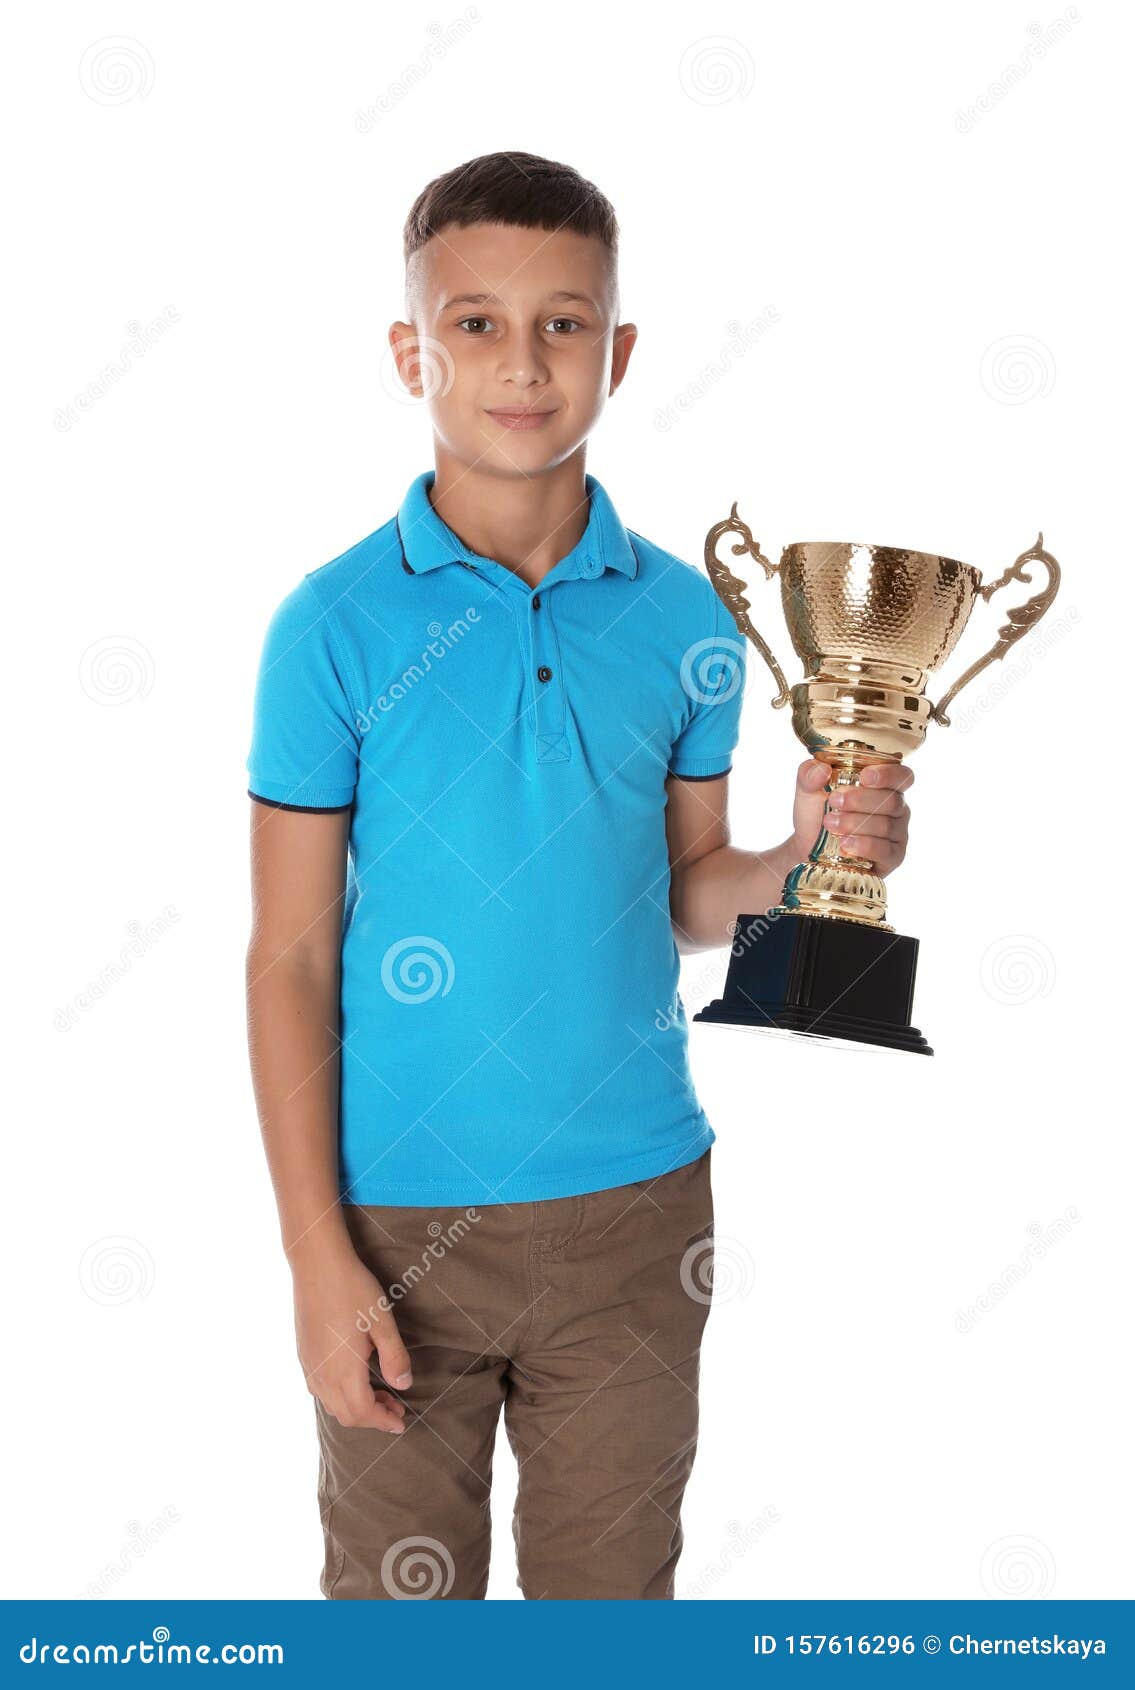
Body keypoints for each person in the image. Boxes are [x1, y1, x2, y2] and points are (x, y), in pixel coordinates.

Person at [244, 150, 913, 1600]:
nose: (522, 361)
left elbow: (680, 897)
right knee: (392, 1622)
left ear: (617, 351)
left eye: (563, 322)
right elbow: (287, 956)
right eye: (476, 322)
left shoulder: (686, 617)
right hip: (392, 1224)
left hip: (636, 1216)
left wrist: (804, 860)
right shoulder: (333, 626)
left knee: (610, 1624)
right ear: (411, 351)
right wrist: (315, 1256)